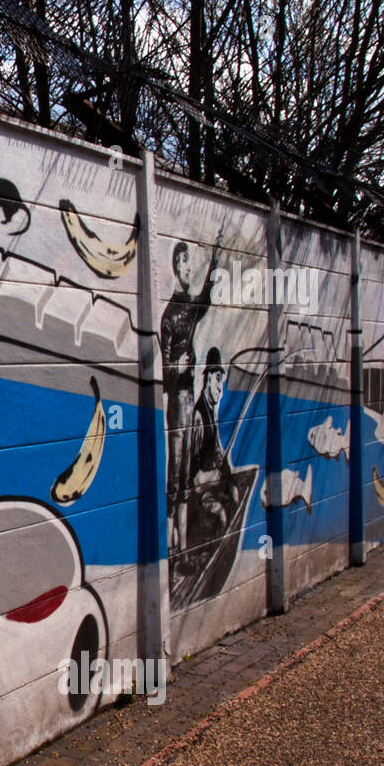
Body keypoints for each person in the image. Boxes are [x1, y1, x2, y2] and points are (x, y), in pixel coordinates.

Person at [160, 234, 223, 554]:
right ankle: (172, 548)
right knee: (176, 474)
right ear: (177, 265)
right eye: (187, 263)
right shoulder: (170, 316)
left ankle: (180, 550)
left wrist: (215, 261)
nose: (190, 269)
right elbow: (164, 376)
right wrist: (177, 366)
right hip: (177, 403)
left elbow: (206, 299)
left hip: (187, 396)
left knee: (183, 475)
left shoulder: (187, 308)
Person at [187, 347, 234, 540]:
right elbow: (194, 479)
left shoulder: (211, 413)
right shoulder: (199, 416)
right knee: (222, 514)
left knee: (233, 494)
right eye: (217, 379)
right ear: (207, 379)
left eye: (221, 380)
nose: (220, 387)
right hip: (197, 498)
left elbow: (215, 449)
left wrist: (219, 457)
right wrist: (213, 475)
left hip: (209, 489)